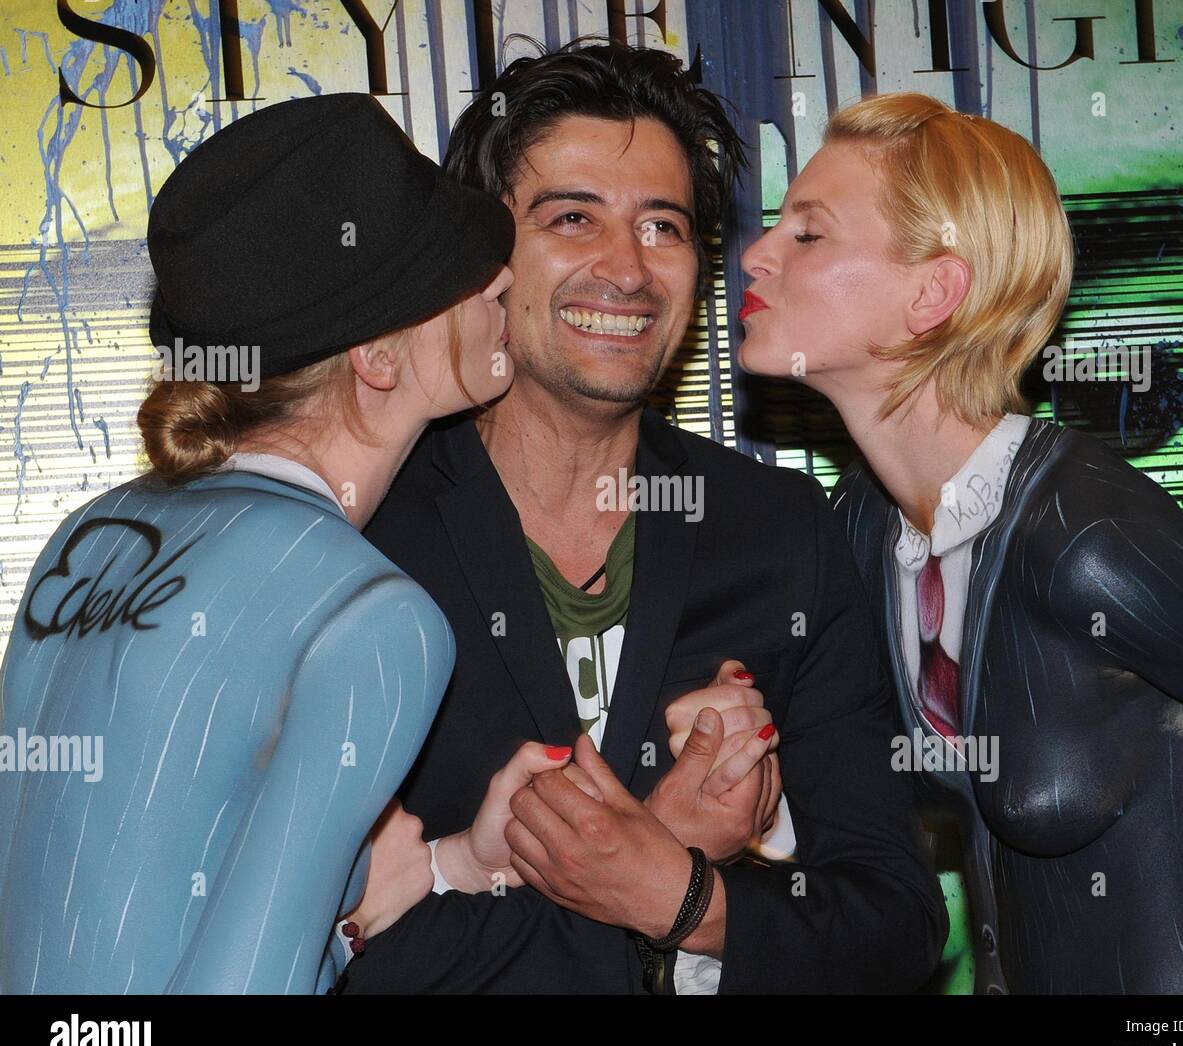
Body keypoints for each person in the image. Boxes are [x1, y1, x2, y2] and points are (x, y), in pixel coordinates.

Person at [337, 41, 948, 996]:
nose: (626, 269)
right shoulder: (364, 532)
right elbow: (308, 955)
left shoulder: (779, 532)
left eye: (662, 227)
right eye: (572, 217)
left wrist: (680, 896)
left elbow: (894, 932)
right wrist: (654, 864)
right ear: (482, 259)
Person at [0, 92, 570, 994]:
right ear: (377, 358)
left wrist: (457, 860)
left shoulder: (95, 536)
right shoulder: (372, 617)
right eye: (464, 270)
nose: (504, 280)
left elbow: (136, 903)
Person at [737, 90, 1183, 993]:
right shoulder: (863, 530)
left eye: (808, 234)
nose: (756, 254)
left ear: (933, 293)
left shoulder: (1086, 539)